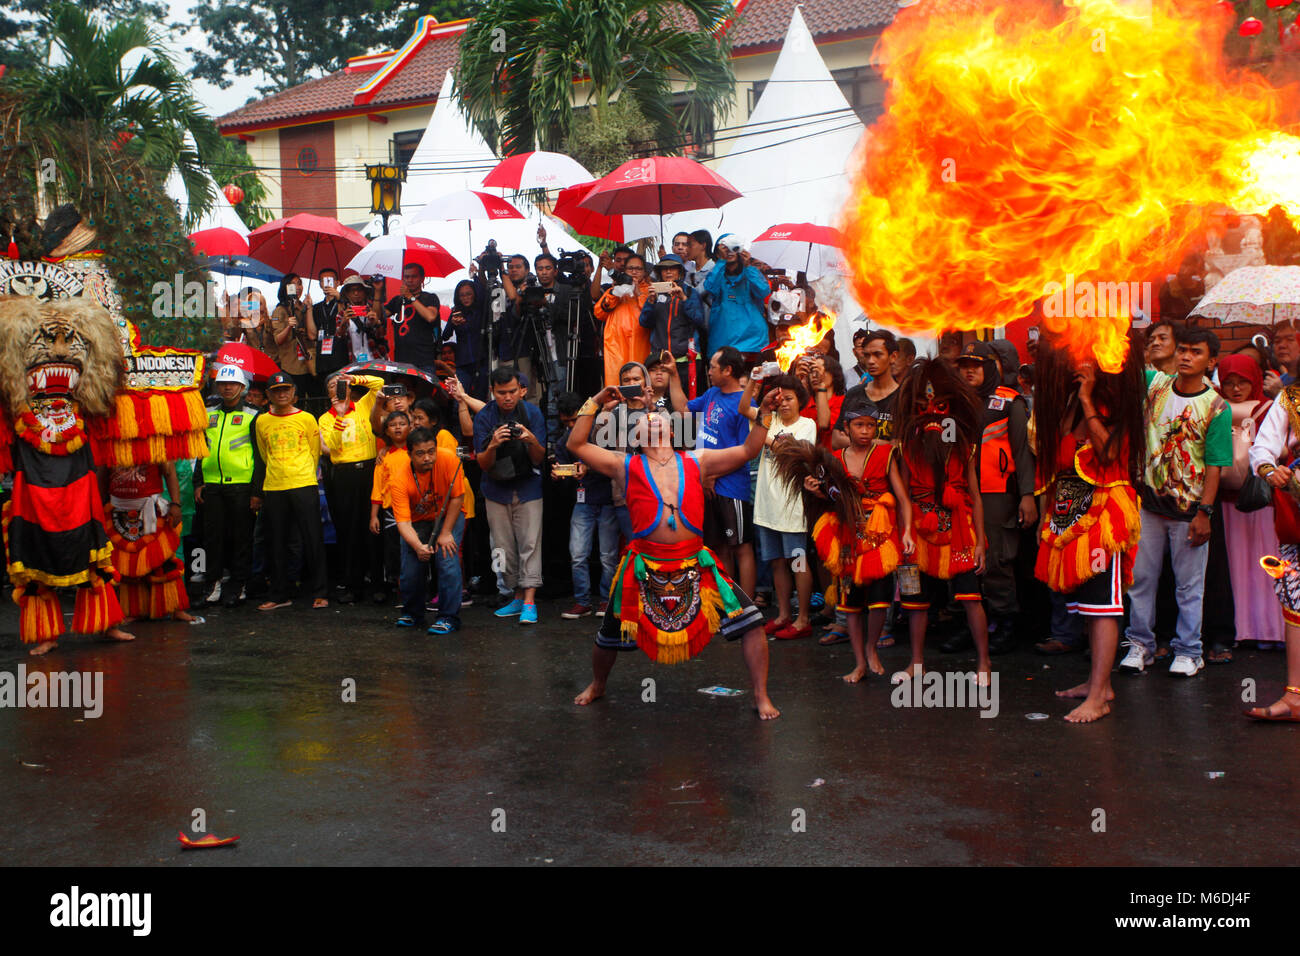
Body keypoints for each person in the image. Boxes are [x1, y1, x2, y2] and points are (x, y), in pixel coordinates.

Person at [567, 387, 783, 719]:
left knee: (752, 623)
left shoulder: (699, 460)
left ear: (672, 429)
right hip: (644, 566)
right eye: (644, 419)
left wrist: (765, 412)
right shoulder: (625, 465)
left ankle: (760, 694)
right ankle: (598, 684)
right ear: (635, 435)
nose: (651, 419)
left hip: (695, 563)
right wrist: (595, 400)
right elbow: (576, 445)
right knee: (608, 635)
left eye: (658, 417)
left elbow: (749, 449)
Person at [1121, 327, 1231, 678]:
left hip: (1188, 511)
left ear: (1210, 361)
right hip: (1149, 505)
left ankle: (1189, 650)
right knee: (1140, 580)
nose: (1185, 356)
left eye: (1195, 352)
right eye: (1182, 349)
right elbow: (1121, 364)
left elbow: (1214, 466)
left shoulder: (1216, 406)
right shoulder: (1154, 385)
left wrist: (1205, 513)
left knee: (1188, 587)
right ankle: (1140, 646)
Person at [780, 397, 914, 681]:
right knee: (850, 602)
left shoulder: (887, 454)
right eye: (859, 425)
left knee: (880, 601)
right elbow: (831, 499)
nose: (865, 431)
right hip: (848, 537)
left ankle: (871, 648)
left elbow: (902, 498)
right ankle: (859, 662)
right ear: (846, 428)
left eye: (870, 425)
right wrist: (813, 490)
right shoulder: (835, 459)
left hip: (880, 534)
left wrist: (906, 531)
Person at [895, 358, 990, 684]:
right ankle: (917, 663)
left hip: (960, 530)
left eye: (940, 406)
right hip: (919, 529)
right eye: (924, 406)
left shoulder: (965, 447)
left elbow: (975, 497)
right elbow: (904, 495)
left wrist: (980, 542)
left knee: (970, 598)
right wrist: (905, 531)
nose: (933, 413)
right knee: (916, 601)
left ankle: (984, 663)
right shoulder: (907, 447)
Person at [954, 340, 1036, 655]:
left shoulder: (1010, 402)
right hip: (960, 494)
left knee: (996, 559)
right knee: (963, 558)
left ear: (991, 367)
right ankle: (970, 623)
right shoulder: (955, 403)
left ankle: (1005, 623)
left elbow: (1022, 452)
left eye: (975, 364)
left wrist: (1026, 495)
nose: (968, 370)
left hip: (997, 492)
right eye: (963, 365)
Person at [742, 371, 817, 640]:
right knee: (776, 563)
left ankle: (803, 618)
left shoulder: (807, 425)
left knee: (797, 562)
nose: (784, 403)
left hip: (792, 506)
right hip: (766, 504)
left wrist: (766, 437)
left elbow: (793, 452)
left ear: (800, 400)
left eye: (790, 398)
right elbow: (742, 407)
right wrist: (755, 380)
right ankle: (784, 614)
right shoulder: (768, 419)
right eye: (780, 398)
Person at [1218, 354, 1284, 650]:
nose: (1235, 389)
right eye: (1229, 382)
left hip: (1263, 500)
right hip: (1227, 502)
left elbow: (1284, 447)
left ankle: (1273, 631)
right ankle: (1243, 628)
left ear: (1255, 381)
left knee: (1266, 563)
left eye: (1242, 382)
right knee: (1236, 566)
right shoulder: (1216, 408)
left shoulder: (1272, 409)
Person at [1245, 369, 1300, 719]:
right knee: (1295, 593)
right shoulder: (1291, 398)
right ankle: (1295, 696)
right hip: (1297, 504)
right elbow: (1262, 445)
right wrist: (1269, 469)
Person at [474, 366, 547, 625]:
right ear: (492, 392)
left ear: (521, 390)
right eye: (501, 392)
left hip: (528, 487)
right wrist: (493, 443)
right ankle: (515, 597)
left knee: (530, 544)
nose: (507, 397)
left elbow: (540, 458)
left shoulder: (532, 413)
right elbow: (482, 464)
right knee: (502, 549)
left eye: (512, 391)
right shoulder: (484, 417)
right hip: (495, 490)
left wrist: (530, 440)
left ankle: (529, 601)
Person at [252, 371, 329, 611]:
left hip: (303, 483)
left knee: (312, 539)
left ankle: (320, 591)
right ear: (268, 396)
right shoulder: (262, 421)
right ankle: (279, 594)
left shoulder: (306, 418)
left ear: (294, 393)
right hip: (274, 485)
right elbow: (264, 454)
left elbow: (314, 450)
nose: (282, 394)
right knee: (277, 542)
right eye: (276, 391)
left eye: (286, 389)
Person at [688, 347, 757, 598]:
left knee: (741, 547)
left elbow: (746, 450)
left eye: (713, 367)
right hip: (706, 485)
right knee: (719, 548)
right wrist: (674, 374)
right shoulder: (711, 394)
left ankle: (747, 604)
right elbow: (683, 409)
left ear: (727, 370)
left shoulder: (746, 404)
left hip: (732, 487)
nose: (709, 371)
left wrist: (712, 474)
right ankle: (730, 602)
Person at [196, 364, 263, 607]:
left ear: (242, 387)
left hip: (242, 486)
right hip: (212, 485)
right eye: (223, 384)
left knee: (240, 539)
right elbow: (201, 449)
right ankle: (212, 586)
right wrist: (198, 482)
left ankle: (238, 586)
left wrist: (257, 492)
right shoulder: (208, 412)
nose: (227, 387)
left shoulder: (254, 414)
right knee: (212, 538)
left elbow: (260, 456)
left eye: (232, 384)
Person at [390, 427, 467, 635]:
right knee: (411, 567)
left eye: (431, 451)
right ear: (410, 454)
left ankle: (448, 617)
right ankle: (412, 613)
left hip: (448, 516)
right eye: (420, 453)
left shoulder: (449, 458)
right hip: (416, 522)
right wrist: (418, 547)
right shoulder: (398, 479)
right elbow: (403, 523)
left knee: (447, 559)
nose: (427, 458)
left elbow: (457, 497)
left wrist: (445, 533)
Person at [104, 462, 200, 623]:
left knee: (164, 560)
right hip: (118, 512)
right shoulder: (111, 443)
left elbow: (169, 472)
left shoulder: (154, 441)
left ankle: (175, 608)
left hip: (151, 509)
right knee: (128, 563)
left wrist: (176, 504)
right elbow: (102, 471)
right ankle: (133, 610)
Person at [319, 370, 385, 603]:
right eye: (332, 386)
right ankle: (353, 586)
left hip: (369, 470)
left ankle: (378, 584)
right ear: (328, 393)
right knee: (348, 532)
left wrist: (355, 379)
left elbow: (380, 383)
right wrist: (339, 415)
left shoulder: (364, 405)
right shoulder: (325, 419)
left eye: (341, 384)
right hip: (344, 475)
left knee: (374, 529)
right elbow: (332, 447)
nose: (337, 388)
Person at [555, 392, 620, 619]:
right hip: (583, 501)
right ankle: (582, 602)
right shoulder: (563, 441)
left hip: (608, 500)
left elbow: (616, 462)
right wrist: (561, 472)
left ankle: (606, 601)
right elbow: (561, 467)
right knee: (578, 554)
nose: (571, 426)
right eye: (566, 422)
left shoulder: (602, 430)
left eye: (574, 420)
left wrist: (587, 468)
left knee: (608, 556)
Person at [638, 254, 705, 384]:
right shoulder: (654, 293)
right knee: (663, 400)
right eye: (664, 269)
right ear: (659, 272)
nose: (668, 271)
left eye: (673, 268)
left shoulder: (690, 292)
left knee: (686, 401)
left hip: (686, 359)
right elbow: (644, 322)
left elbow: (699, 320)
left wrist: (684, 299)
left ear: (680, 271)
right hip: (660, 360)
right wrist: (651, 302)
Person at [702, 236, 770, 356]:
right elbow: (710, 288)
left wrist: (748, 266)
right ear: (717, 253)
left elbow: (763, 291)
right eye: (725, 248)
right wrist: (721, 261)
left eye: (733, 247)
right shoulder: (716, 275)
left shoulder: (750, 274)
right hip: (723, 340)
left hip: (752, 341)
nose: (729, 251)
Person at [370, 409, 411, 602]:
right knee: (393, 548)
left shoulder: (415, 452)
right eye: (393, 425)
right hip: (390, 511)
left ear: (410, 427)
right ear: (386, 431)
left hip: (413, 508)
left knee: (414, 545)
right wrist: (373, 516)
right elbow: (378, 488)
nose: (397, 428)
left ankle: (417, 585)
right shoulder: (384, 456)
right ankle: (396, 586)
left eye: (402, 424)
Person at [594, 254, 652, 388]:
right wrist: (615, 293)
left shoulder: (650, 291)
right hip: (616, 348)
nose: (634, 271)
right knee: (617, 388)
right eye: (630, 268)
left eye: (638, 268)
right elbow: (599, 313)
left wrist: (638, 293)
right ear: (624, 270)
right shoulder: (614, 290)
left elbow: (651, 314)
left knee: (640, 385)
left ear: (644, 272)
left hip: (641, 345)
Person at [835, 329, 900, 447]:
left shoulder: (904, 397)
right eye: (867, 355)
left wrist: (855, 442)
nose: (870, 361)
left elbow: (903, 445)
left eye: (877, 354)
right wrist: (877, 443)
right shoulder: (854, 394)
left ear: (893, 357)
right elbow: (836, 440)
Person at [385, 263, 442, 374]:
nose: (410, 280)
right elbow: (378, 316)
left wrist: (410, 297)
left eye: (414, 276)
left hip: (424, 361)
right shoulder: (397, 300)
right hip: (402, 361)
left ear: (422, 278)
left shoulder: (430, 298)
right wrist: (378, 291)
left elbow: (430, 317)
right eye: (406, 277)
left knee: (424, 391)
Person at [270, 273, 317, 396]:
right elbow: (278, 340)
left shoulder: (304, 307)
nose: (298, 287)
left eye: (300, 283)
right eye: (293, 284)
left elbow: (312, 335)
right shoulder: (280, 310)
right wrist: (288, 327)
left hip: (309, 363)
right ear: (285, 288)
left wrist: (309, 309)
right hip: (291, 366)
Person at [447, 276, 490, 399]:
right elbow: (445, 336)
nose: (465, 298)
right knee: (459, 398)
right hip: (463, 364)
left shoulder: (480, 311)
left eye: (468, 294)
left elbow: (483, 293)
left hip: (481, 361)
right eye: (462, 295)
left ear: (474, 295)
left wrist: (476, 275)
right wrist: (452, 323)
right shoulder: (456, 312)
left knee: (480, 398)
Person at [1264, 321, 1300, 397]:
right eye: (1277, 341)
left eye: (1290, 340)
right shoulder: (1278, 381)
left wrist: (1280, 394)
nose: (1281, 345)